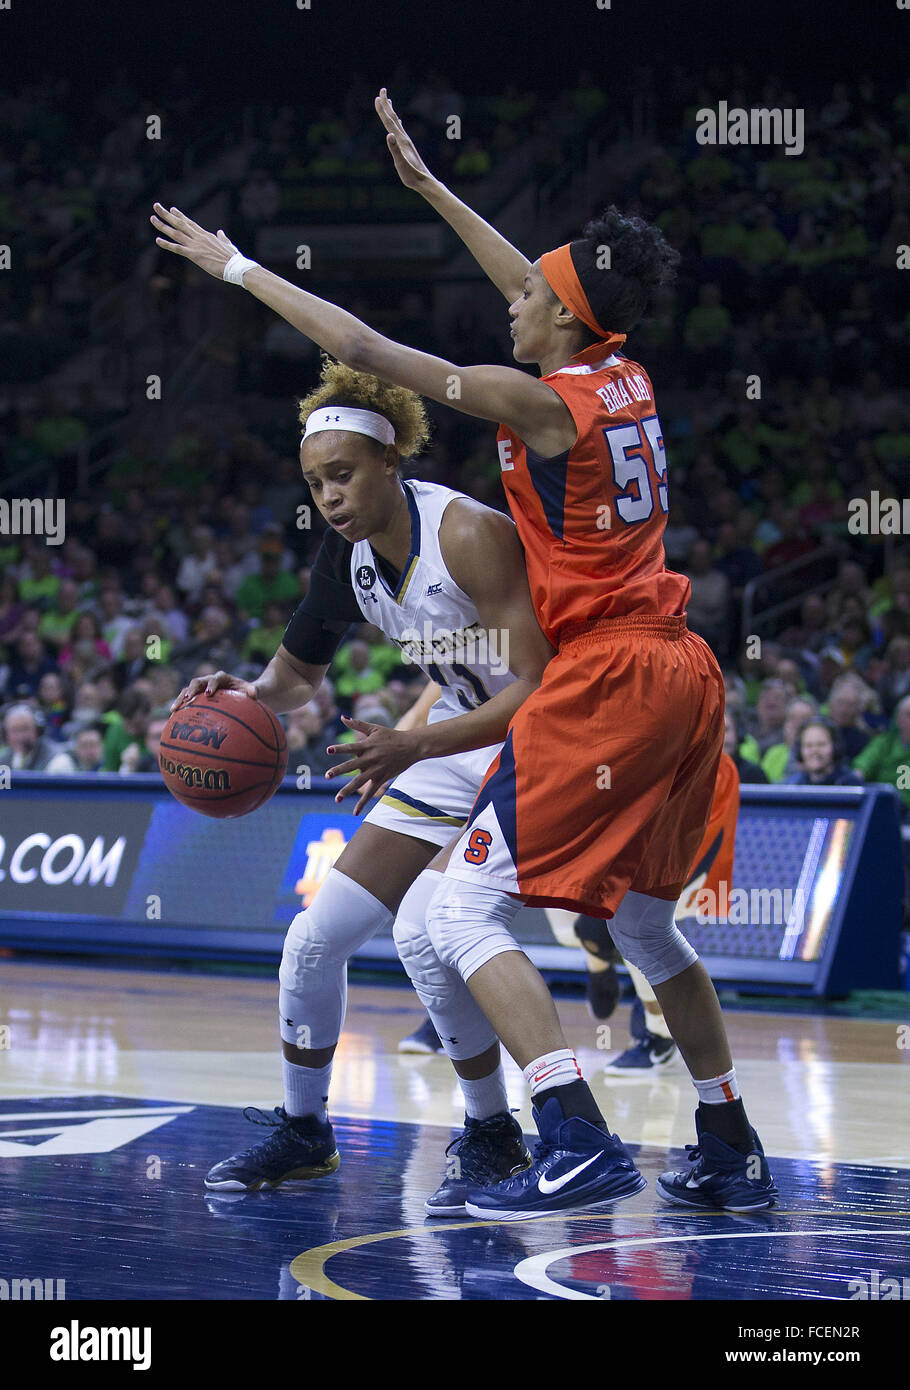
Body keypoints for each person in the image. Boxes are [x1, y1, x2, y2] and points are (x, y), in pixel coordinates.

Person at [149, 95, 777, 1216]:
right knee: (641, 923)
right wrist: (433, 191)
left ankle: (574, 1136)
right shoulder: (616, 371)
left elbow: (359, 350)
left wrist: (239, 267)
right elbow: (536, 284)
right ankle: (727, 1135)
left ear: (568, 325)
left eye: (530, 298)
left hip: (610, 677)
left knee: (455, 914)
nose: (513, 302)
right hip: (682, 666)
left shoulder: (540, 408)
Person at [170, 363, 554, 1211]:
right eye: (315, 483)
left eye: (343, 475)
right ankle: (307, 1133)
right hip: (454, 736)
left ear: (390, 461)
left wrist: (411, 743)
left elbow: (538, 688)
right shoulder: (347, 558)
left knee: (428, 930)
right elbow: (292, 678)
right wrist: (235, 695)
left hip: (542, 744)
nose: (330, 497)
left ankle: (501, 1128)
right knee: (313, 940)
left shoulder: (466, 533)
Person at [785, 720, 865, 788]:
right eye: (809, 746)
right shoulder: (792, 785)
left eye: (821, 744)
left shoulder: (852, 785)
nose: (815, 751)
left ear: (836, 747)